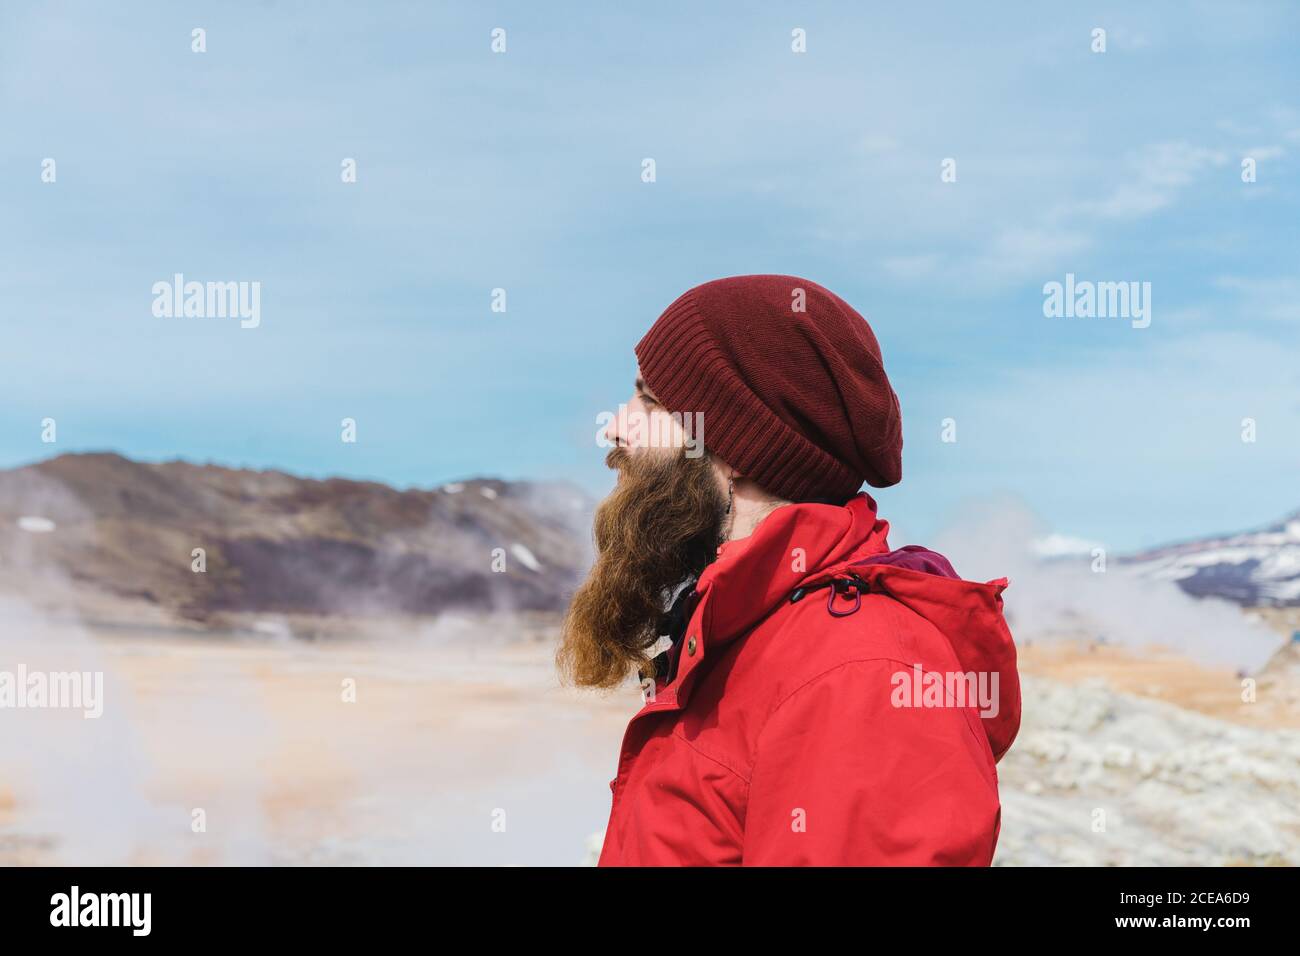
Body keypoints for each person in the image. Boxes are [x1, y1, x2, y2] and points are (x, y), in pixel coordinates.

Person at [557, 274, 1021, 866]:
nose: (616, 425)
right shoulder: (741, 633)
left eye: (650, 401)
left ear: (738, 448)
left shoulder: (860, 676)